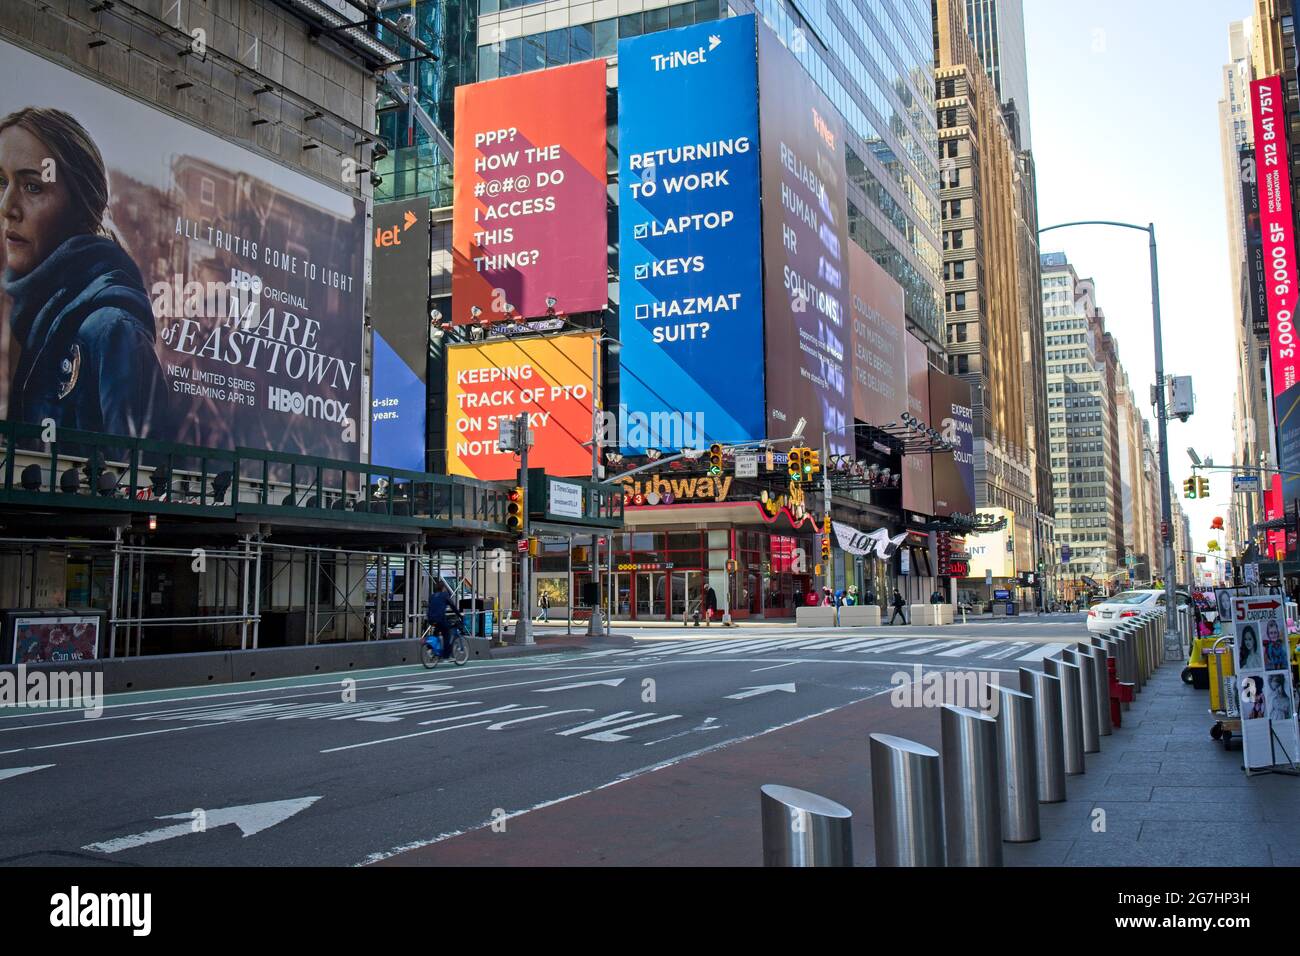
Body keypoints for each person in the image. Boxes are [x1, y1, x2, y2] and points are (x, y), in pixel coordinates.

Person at [0, 108, 170, 440]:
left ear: (80, 205)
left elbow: (137, 476)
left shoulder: (110, 329)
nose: (7, 206)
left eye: (33, 187)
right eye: (0, 181)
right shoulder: (27, 314)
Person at [426, 579, 453, 659]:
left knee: (436, 631)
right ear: (443, 588)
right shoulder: (444, 595)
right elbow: (452, 605)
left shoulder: (432, 596)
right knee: (447, 633)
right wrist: (459, 614)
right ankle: (446, 655)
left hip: (431, 618)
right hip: (440, 618)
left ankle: (430, 649)